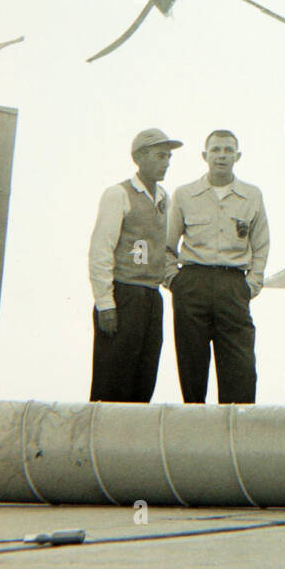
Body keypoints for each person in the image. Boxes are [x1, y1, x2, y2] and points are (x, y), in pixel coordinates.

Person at [165, 129, 269, 404]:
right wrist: (174, 281)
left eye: (227, 150)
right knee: (192, 369)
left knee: (241, 371)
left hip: (233, 285)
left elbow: (261, 245)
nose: (221, 156)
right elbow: (167, 244)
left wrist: (251, 285)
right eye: (215, 150)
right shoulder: (185, 194)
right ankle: (196, 438)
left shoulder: (252, 195)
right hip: (192, 284)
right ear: (204, 155)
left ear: (238, 156)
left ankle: (236, 438)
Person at [89, 128, 182, 402]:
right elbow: (100, 250)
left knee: (144, 377)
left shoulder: (164, 197)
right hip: (124, 294)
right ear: (139, 157)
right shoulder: (118, 194)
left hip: (152, 297)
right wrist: (105, 303)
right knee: (113, 379)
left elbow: (164, 249)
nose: (166, 162)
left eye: (168, 157)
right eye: (160, 156)